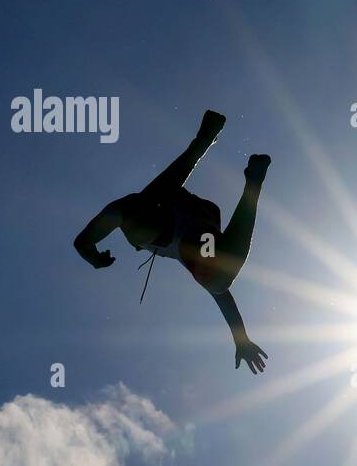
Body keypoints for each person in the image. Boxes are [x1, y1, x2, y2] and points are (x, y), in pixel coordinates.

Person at [73, 110, 271, 373]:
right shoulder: (144, 223)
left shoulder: (134, 218)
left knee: (137, 217)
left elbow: (82, 242)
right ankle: (239, 173)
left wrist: (95, 258)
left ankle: (205, 142)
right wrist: (240, 338)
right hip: (204, 235)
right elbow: (222, 295)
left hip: (188, 221)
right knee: (216, 278)